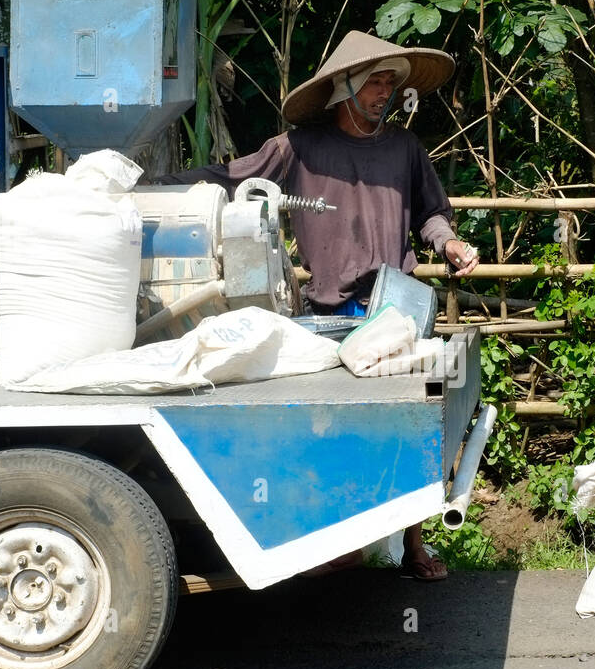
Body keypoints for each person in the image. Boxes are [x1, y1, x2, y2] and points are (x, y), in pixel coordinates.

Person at [157, 30, 479, 580]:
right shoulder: (299, 147)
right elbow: (233, 177)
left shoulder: (405, 148)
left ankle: (414, 546)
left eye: (390, 83)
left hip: (396, 307)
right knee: (336, 428)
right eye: (375, 81)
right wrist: (157, 186)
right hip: (329, 312)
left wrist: (448, 242)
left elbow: (431, 214)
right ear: (345, 87)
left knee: (410, 424)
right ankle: (336, 544)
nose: (385, 92)